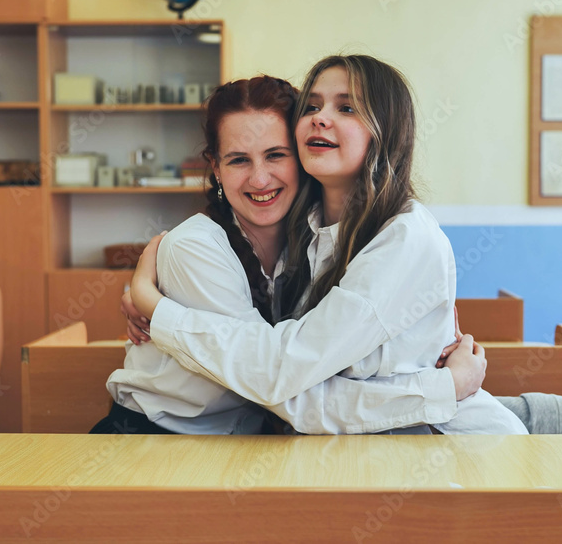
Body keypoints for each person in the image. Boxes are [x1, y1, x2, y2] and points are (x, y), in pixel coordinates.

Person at [129, 56, 528, 435]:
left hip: (438, 443)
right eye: (313, 106)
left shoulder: (404, 237)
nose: (321, 118)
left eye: (347, 108)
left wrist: (155, 306)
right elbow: (282, 376)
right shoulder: (311, 233)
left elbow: (278, 380)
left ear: (385, 132)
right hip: (334, 444)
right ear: (214, 167)